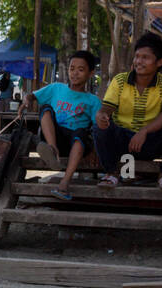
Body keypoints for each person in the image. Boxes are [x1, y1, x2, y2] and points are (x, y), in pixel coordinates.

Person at [93, 32, 162, 189]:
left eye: (145, 57)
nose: (139, 61)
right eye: (137, 56)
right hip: (122, 142)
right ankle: (112, 173)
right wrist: (102, 114)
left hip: (150, 142)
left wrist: (144, 131)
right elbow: (107, 107)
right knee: (99, 127)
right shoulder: (120, 80)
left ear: (159, 62)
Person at [19, 50, 101, 199]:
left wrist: (95, 150)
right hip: (55, 137)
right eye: (72, 68)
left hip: (76, 143)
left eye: (81, 70)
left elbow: (97, 128)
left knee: (81, 132)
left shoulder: (93, 101)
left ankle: (64, 184)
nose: (75, 73)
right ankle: (52, 149)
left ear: (90, 73)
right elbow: (33, 95)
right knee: (46, 108)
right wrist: (27, 100)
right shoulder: (56, 88)